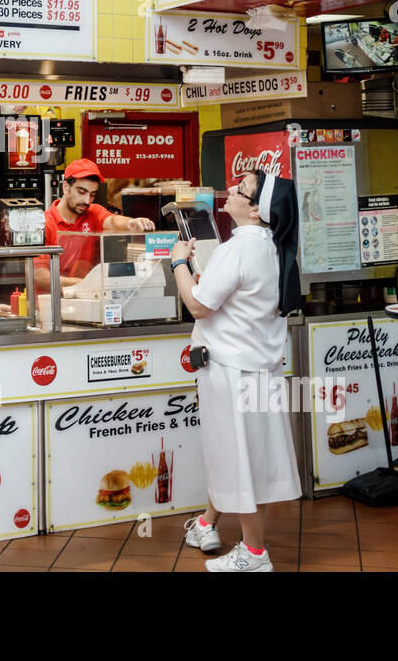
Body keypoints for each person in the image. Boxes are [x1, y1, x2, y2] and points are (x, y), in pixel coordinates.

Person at [168, 169, 303, 572]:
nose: (231, 191)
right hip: (259, 370)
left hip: (229, 372)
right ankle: (207, 524)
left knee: (236, 459)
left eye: (241, 189)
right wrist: (196, 272)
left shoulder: (238, 248)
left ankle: (255, 554)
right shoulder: (272, 248)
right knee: (240, 455)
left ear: (258, 208)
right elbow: (223, 298)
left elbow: (198, 306)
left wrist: (177, 262)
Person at [34, 158, 155, 290]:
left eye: (92, 194)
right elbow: (40, 277)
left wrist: (132, 223)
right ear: (66, 187)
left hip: (85, 299)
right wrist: (88, 283)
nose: (86, 200)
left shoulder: (93, 212)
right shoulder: (43, 223)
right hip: (50, 304)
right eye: (81, 192)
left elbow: (113, 221)